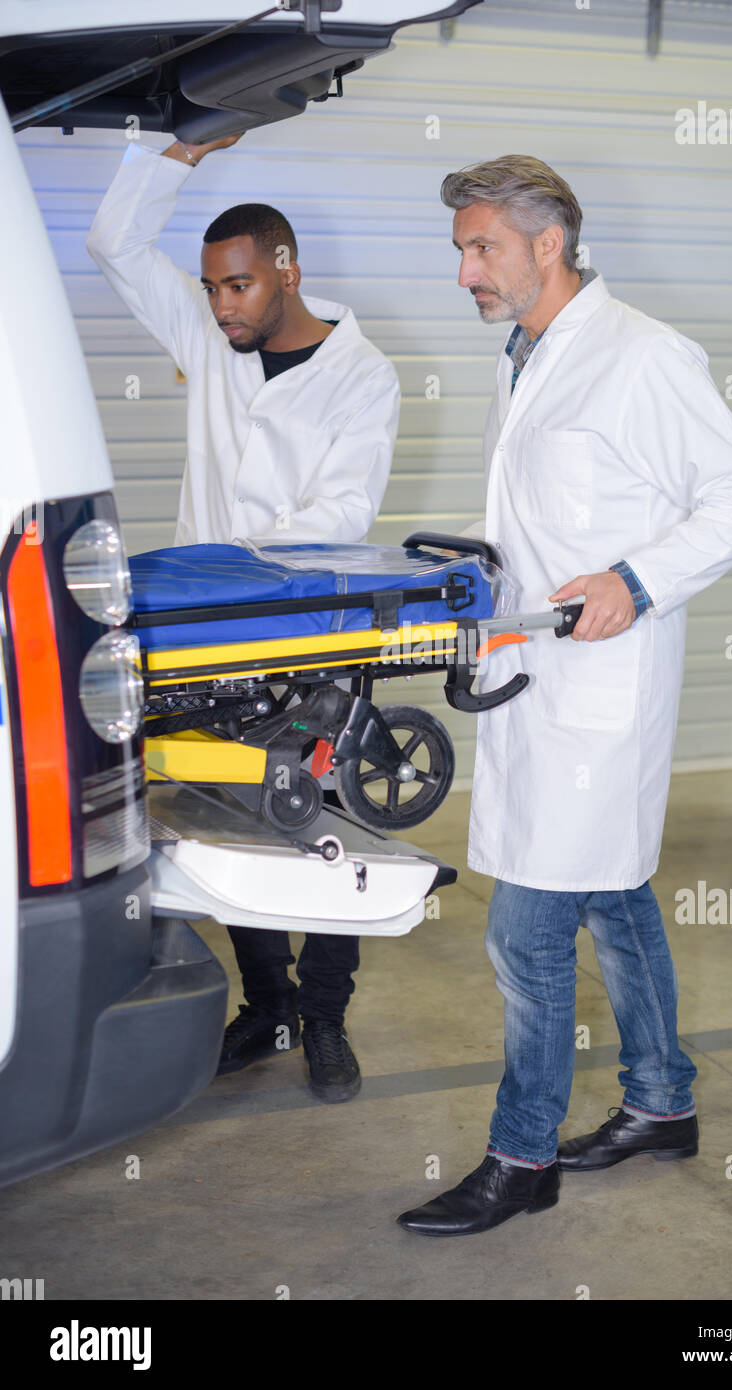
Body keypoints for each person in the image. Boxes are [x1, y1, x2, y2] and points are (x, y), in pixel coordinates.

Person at [397, 154, 732, 1236]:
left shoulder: (644, 356)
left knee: (524, 932)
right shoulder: (526, 355)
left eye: (482, 247)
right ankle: (662, 1100)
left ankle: (520, 1156)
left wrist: (636, 580)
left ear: (546, 244)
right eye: (462, 249)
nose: (466, 270)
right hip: (532, 679)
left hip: (603, 691)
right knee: (612, 897)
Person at [87, 132, 401, 1103]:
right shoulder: (208, 341)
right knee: (232, 825)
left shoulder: (365, 375)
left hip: (314, 638)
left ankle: (326, 1018)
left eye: (239, 287)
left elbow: (338, 518)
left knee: (327, 825)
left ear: (285, 270)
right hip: (205, 641)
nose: (221, 305)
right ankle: (264, 1009)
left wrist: (230, 568)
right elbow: (112, 244)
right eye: (211, 288)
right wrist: (177, 153)